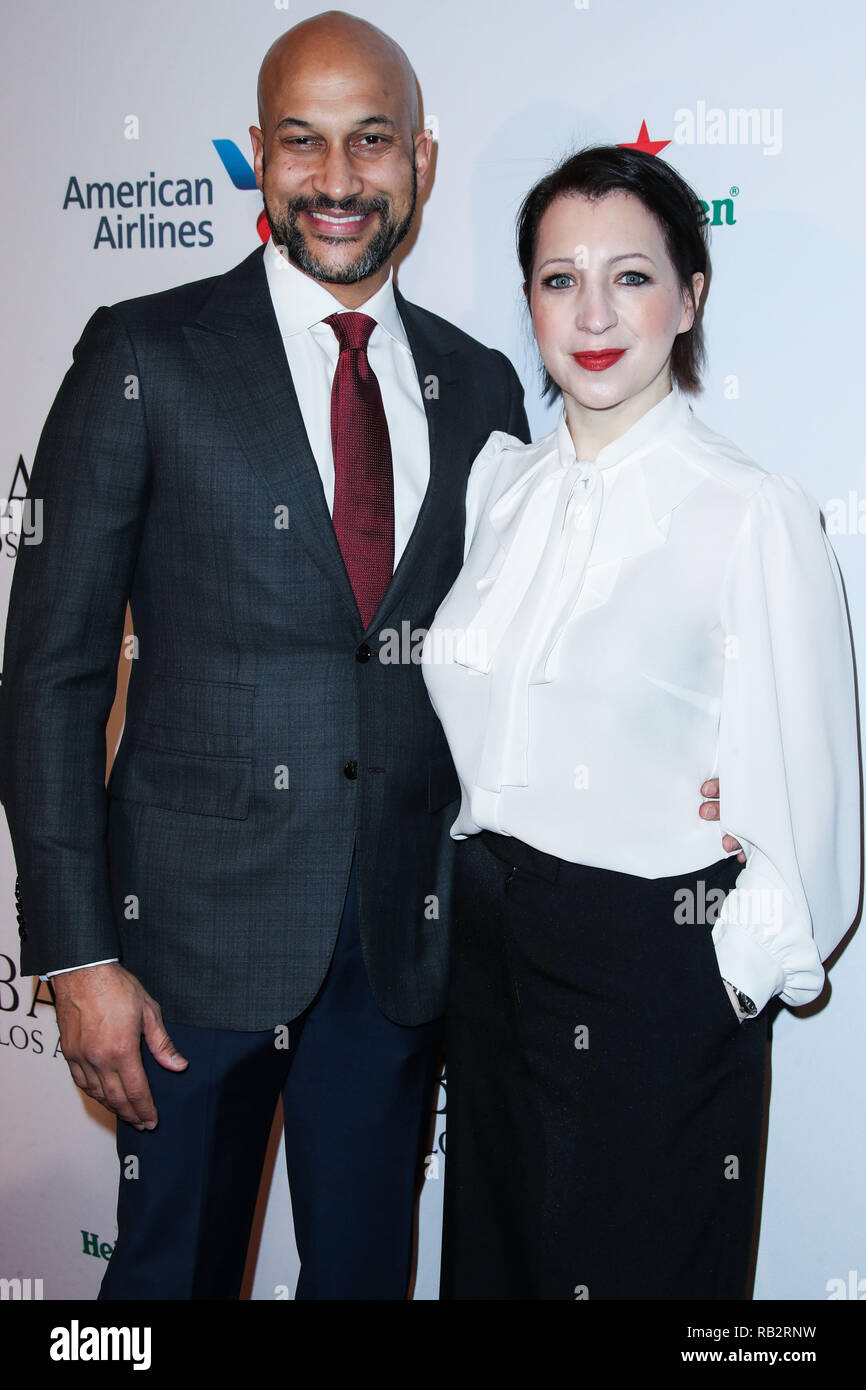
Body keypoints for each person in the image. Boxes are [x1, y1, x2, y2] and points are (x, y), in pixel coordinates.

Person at [0, 17, 730, 1299]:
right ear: (258, 158)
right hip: (180, 962)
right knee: (158, 1289)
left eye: (371, 140)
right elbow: (50, 676)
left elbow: (536, 648)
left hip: (403, 961)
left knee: (363, 1284)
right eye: (302, 140)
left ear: (421, 161)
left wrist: (687, 782)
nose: (337, 177)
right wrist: (74, 956)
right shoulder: (142, 355)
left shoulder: (483, 386)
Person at [422, 145, 860, 1301]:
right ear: (527, 301)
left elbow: (807, 791)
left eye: (630, 276)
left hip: (648, 961)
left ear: (690, 295)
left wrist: (721, 975)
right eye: (559, 279)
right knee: (496, 1266)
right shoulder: (498, 487)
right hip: (490, 949)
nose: (593, 312)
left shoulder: (749, 511)